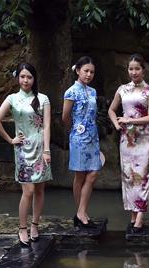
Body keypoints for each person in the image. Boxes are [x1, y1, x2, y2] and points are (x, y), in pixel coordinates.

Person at [0, 62, 52, 247]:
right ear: (18, 78)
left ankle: (35, 224)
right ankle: (22, 227)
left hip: (40, 148)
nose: (25, 80)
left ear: (34, 79)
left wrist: (47, 150)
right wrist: (10, 139)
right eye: (22, 77)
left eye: (29, 77)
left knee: (39, 189)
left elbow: (46, 125)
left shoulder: (43, 98)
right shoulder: (12, 99)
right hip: (22, 148)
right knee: (27, 191)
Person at [108, 54, 149, 233]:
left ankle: (140, 217)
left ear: (143, 70)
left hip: (144, 140)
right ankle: (132, 214)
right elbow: (112, 110)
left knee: (143, 177)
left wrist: (129, 120)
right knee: (129, 176)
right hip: (126, 140)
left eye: (137, 68)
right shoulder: (122, 89)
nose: (134, 72)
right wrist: (117, 123)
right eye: (131, 69)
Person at [63, 56, 101, 229]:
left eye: (92, 72)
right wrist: (76, 130)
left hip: (93, 137)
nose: (89, 74)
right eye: (86, 71)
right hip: (78, 138)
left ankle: (81, 211)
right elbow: (65, 116)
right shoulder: (71, 91)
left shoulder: (93, 92)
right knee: (80, 175)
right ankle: (81, 213)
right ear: (78, 70)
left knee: (93, 174)